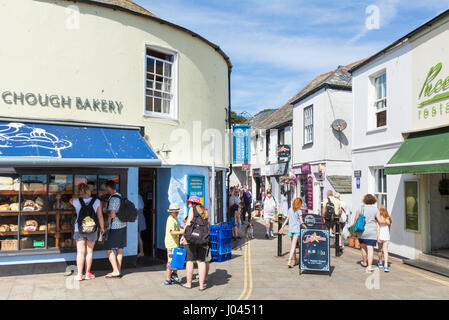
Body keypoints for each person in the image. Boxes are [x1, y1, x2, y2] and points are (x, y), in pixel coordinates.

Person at [70, 183, 104, 281]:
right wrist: (102, 227)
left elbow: (70, 200)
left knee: (80, 252)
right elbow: (100, 216)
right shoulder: (97, 201)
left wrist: (78, 194)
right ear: (89, 191)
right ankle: (87, 273)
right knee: (89, 252)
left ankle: (80, 274)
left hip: (79, 228)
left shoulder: (75, 201)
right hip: (92, 229)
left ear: (79, 191)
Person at [181, 196, 209, 291]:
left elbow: (188, 223)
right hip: (203, 238)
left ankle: (189, 284)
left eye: (189, 203)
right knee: (201, 261)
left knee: (190, 260)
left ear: (193, 203)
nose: (188, 205)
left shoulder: (193, 210)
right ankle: (201, 285)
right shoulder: (205, 210)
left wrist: (183, 236)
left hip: (192, 239)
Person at [103, 180, 127, 278]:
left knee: (108, 249)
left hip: (114, 227)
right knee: (119, 249)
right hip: (122, 225)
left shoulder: (113, 199)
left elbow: (112, 215)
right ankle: (118, 270)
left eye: (106, 188)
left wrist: (104, 211)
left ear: (109, 188)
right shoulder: (121, 196)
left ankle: (115, 271)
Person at [354, 194, 380, 272]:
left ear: (364, 200)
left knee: (363, 247)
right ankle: (369, 266)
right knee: (370, 249)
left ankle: (364, 262)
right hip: (372, 231)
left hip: (361, 231)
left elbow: (355, 220)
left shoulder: (360, 208)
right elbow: (379, 220)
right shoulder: (375, 209)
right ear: (373, 200)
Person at [279, 198, 304, 268]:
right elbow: (301, 222)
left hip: (291, 230)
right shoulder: (299, 211)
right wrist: (305, 226)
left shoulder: (290, 209)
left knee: (294, 245)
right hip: (296, 231)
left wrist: (282, 227)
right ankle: (289, 261)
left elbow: (287, 219)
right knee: (294, 246)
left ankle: (295, 260)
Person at [164, 203, 184, 285]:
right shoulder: (171, 220)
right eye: (176, 212)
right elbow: (172, 232)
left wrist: (183, 228)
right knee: (171, 262)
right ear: (171, 212)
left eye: (177, 212)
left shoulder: (174, 219)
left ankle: (174, 275)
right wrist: (181, 232)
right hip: (171, 244)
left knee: (176, 260)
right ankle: (168, 279)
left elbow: (179, 227)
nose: (177, 213)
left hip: (174, 243)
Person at [377, 205, 392, 272]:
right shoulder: (388, 218)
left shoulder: (378, 218)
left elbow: (377, 229)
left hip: (380, 236)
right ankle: (386, 265)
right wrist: (388, 235)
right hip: (386, 236)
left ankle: (380, 262)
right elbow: (389, 228)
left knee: (380, 250)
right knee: (386, 251)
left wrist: (377, 237)